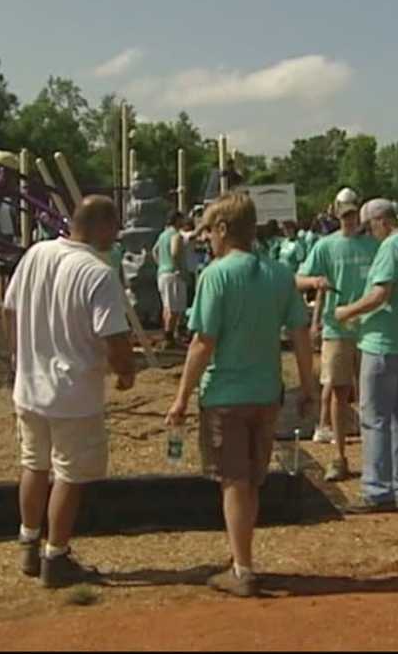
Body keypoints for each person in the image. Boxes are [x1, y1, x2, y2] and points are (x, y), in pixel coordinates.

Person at [165, 192, 316, 598]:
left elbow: (202, 341)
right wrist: (309, 385)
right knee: (251, 479)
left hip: (225, 395)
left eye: (209, 231)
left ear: (223, 230)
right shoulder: (280, 273)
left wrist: (181, 396)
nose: (206, 240)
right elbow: (300, 332)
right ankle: (241, 558)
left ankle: (243, 568)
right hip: (267, 393)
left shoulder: (215, 275)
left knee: (233, 482)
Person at [2, 194, 136, 589]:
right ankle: (56, 555)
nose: (116, 236)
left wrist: (18, 357)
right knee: (69, 475)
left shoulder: (36, 254)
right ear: (101, 226)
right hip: (73, 393)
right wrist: (125, 371)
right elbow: (113, 333)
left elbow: (9, 309)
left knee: (33, 464)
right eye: (114, 227)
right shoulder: (98, 271)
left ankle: (28, 540)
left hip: (29, 386)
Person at [334, 198, 398, 513]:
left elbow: (379, 293)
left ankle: (376, 490)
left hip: (380, 342)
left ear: (381, 221)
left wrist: (347, 311)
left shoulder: (389, 247)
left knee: (374, 419)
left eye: (370, 226)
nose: (370, 233)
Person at [295, 193, 379, 481]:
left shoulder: (373, 245)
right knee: (338, 390)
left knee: (371, 394)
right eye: (345, 215)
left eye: (353, 214)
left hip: (370, 329)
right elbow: (298, 278)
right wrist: (315, 282)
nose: (350, 220)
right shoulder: (325, 246)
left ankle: (374, 457)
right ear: (336, 215)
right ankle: (339, 456)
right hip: (337, 330)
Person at [153, 211, 188, 347]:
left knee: (167, 306)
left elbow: (155, 251)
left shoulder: (162, 235)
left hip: (162, 273)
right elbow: (175, 252)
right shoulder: (175, 235)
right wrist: (178, 267)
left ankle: (168, 334)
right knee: (175, 308)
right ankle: (170, 338)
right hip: (174, 274)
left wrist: (161, 264)